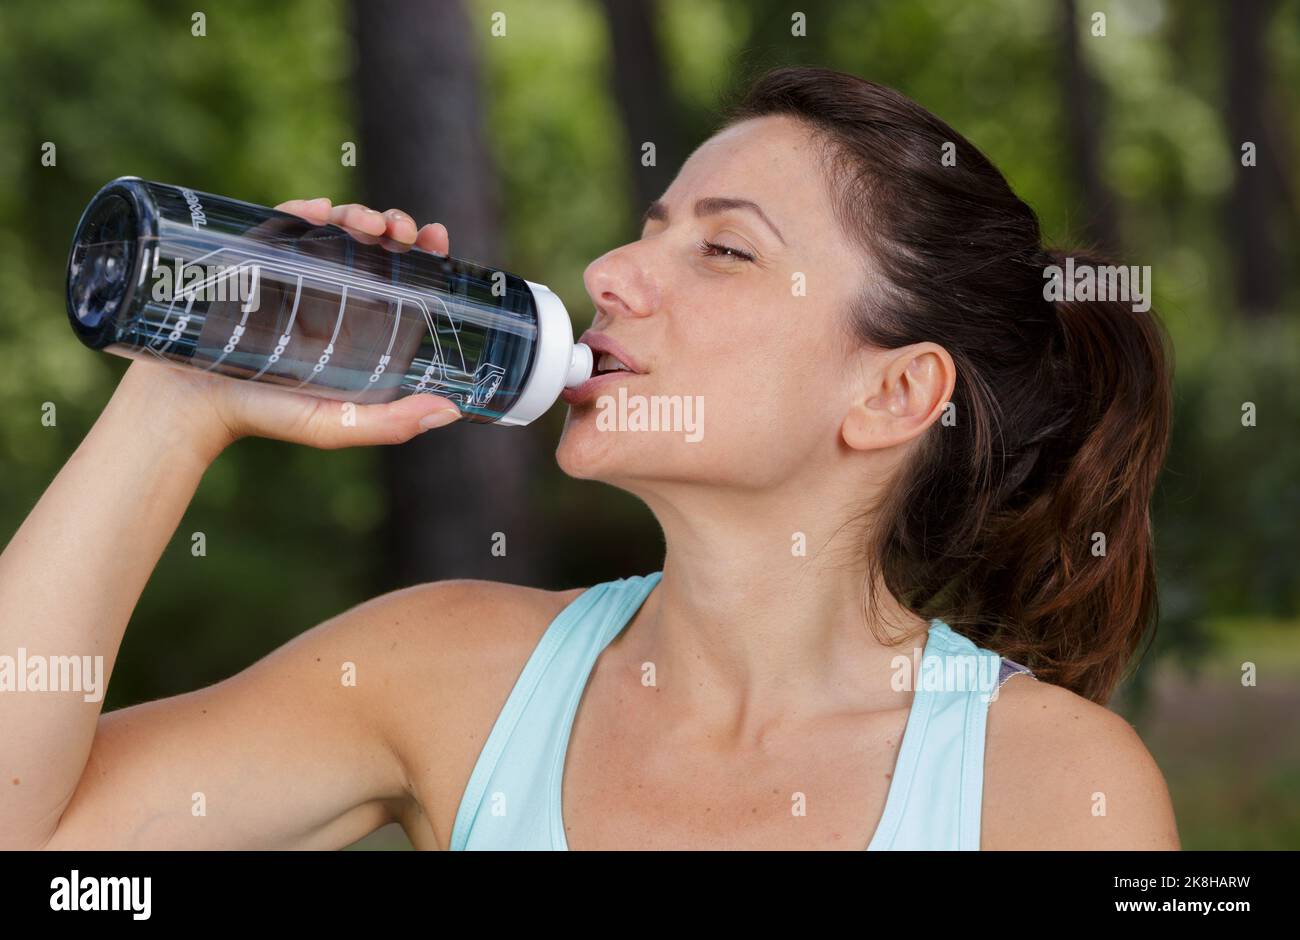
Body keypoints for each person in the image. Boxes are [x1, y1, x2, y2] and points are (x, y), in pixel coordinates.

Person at [0, 67, 1179, 850]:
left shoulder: (1050, 789)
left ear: (891, 391)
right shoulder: (443, 667)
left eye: (724, 249)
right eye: (650, 224)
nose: (613, 270)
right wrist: (180, 399)